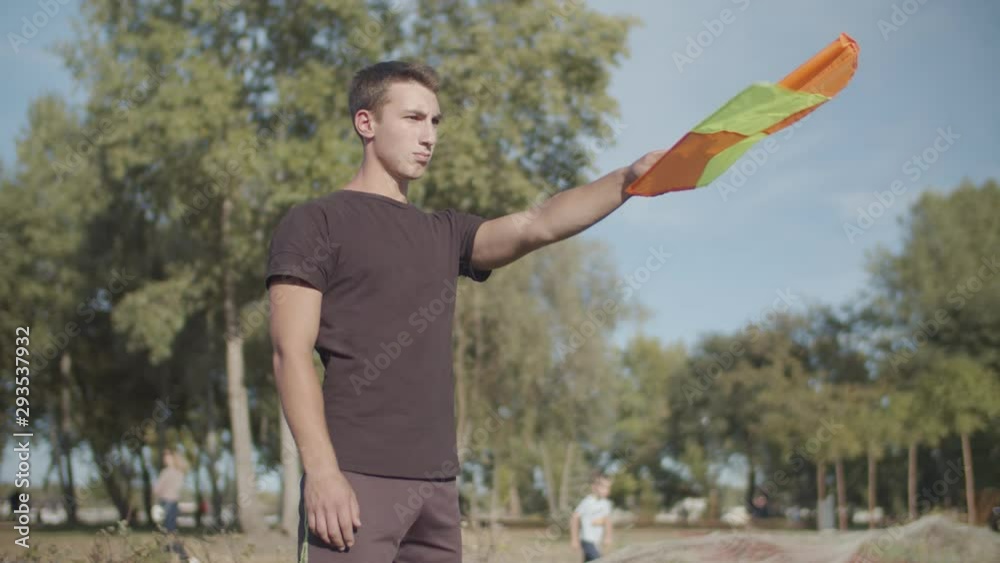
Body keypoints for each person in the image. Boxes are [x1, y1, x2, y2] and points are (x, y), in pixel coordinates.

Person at [267, 60, 665, 562]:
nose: (428, 135)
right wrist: (323, 473)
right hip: (354, 477)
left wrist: (627, 179)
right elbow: (290, 353)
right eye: (413, 118)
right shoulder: (315, 222)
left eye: (435, 122)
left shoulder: (446, 233)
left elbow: (535, 225)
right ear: (365, 123)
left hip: (436, 487)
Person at [153, 449, 198, 562]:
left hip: (167, 502)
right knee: (170, 529)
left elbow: (157, 489)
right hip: (174, 503)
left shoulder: (167, 472)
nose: (164, 459)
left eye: (167, 457)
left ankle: (181, 554)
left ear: (172, 458)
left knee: (168, 530)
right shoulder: (180, 472)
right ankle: (178, 553)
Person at [570, 473, 614, 562]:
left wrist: (608, 537)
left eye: (608, 488)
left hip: (597, 541)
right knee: (599, 560)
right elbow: (574, 518)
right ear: (594, 487)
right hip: (587, 540)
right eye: (604, 487)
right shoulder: (587, 502)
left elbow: (607, 520)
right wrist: (574, 539)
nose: (607, 491)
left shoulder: (606, 503)